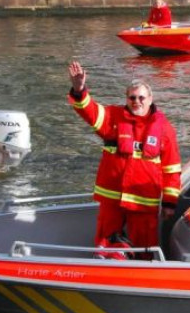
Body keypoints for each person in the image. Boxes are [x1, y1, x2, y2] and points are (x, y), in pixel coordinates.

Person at [67, 62, 181, 254]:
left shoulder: (165, 129)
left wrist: (169, 202)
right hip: (112, 199)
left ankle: (142, 277)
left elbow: (171, 168)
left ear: (150, 99)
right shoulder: (113, 117)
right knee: (105, 245)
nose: (137, 101)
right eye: (132, 97)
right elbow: (90, 111)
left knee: (145, 248)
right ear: (127, 99)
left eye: (141, 97)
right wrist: (79, 89)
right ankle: (105, 271)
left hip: (143, 202)